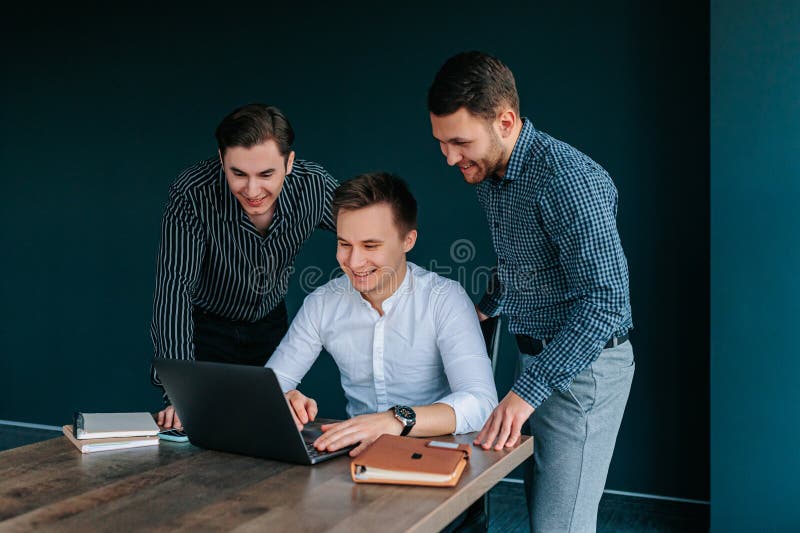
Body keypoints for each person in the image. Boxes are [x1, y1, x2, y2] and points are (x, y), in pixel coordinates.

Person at [428, 51, 635, 532]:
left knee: (560, 526)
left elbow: (607, 302)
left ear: (505, 121)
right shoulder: (491, 173)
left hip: (584, 374)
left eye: (460, 142)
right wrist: (482, 311)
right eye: (441, 143)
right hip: (536, 363)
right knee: (539, 513)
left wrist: (528, 390)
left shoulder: (567, 181)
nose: (450, 158)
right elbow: (524, 260)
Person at [265, 172, 498, 456]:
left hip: (434, 454)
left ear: (407, 241)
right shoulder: (322, 303)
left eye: (370, 246)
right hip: (354, 456)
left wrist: (395, 420)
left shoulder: (444, 299)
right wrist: (281, 399)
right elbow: (268, 388)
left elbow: (481, 403)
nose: (353, 261)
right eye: (344, 244)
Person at [150, 104, 338, 430]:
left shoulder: (314, 187)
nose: (252, 191)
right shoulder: (192, 193)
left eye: (266, 175)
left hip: (270, 327)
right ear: (222, 160)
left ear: (289, 163)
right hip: (207, 332)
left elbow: (368, 227)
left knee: (271, 432)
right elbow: (174, 289)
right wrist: (178, 392)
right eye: (238, 174)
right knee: (202, 435)